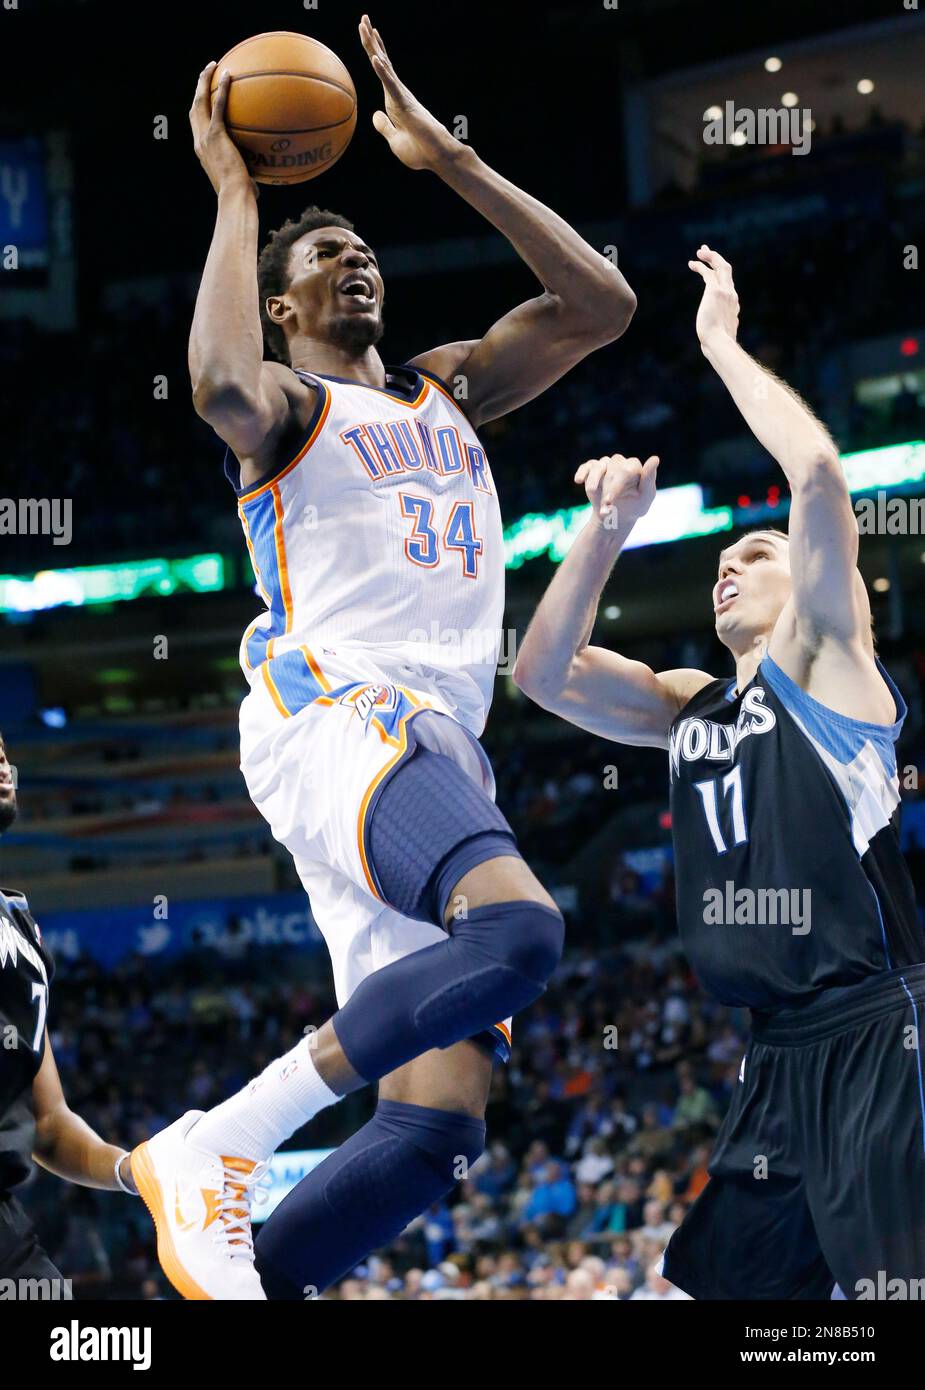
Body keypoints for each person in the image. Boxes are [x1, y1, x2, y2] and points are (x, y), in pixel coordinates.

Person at [131, 16, 636, 1300]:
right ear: (281, 302)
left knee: (437, 1126)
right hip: (337, 711)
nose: (350, 260)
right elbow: (213, 385)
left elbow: (601, 305)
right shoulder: (288, 409)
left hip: (432, 747)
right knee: (522, 932)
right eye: (320, 255)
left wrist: (447, 162)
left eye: (359, 248)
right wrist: (238, 195)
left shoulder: (446, 389)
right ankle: (218, 1145)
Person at [513, 245, 925, 1300]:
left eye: (754, 550)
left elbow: (819, 473)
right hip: (776, 1054)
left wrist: (717, 345)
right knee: (732, 1293)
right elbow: (543, 673)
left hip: (878, 1024)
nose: (728, 565)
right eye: (715, 563)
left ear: (812, 579)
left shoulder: (830, 664)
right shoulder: (692, 703)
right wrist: (602, 533)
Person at [0, 734, 138, 1299]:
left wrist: (134, 1172)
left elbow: (50, 1123)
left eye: (6, 750)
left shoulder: (24, 934)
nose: (2, 761)